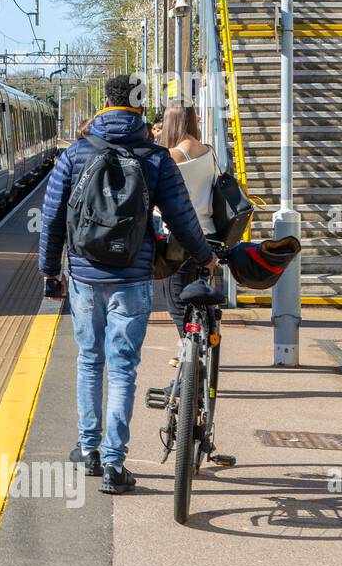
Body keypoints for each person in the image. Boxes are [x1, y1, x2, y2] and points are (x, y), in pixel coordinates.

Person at [39, 75, 216, 495]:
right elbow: (182, 218)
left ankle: (88, 452)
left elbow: (51, 218)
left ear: (105, 103)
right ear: (141, 106)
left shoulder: (77, 153)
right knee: (122, 367)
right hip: (132, 279)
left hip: (84, 275)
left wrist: (51, 272)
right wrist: (205, 257)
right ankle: (116, 465)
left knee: (89, 360)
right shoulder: (155, 158)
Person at [157, 100, 220, 359]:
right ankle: (207, 336)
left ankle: (188, 349)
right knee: (202, 293)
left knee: (175, 298)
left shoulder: (171, 156)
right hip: (211, 234)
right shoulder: (210, 151)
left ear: (170, 123)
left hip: (180, 237)